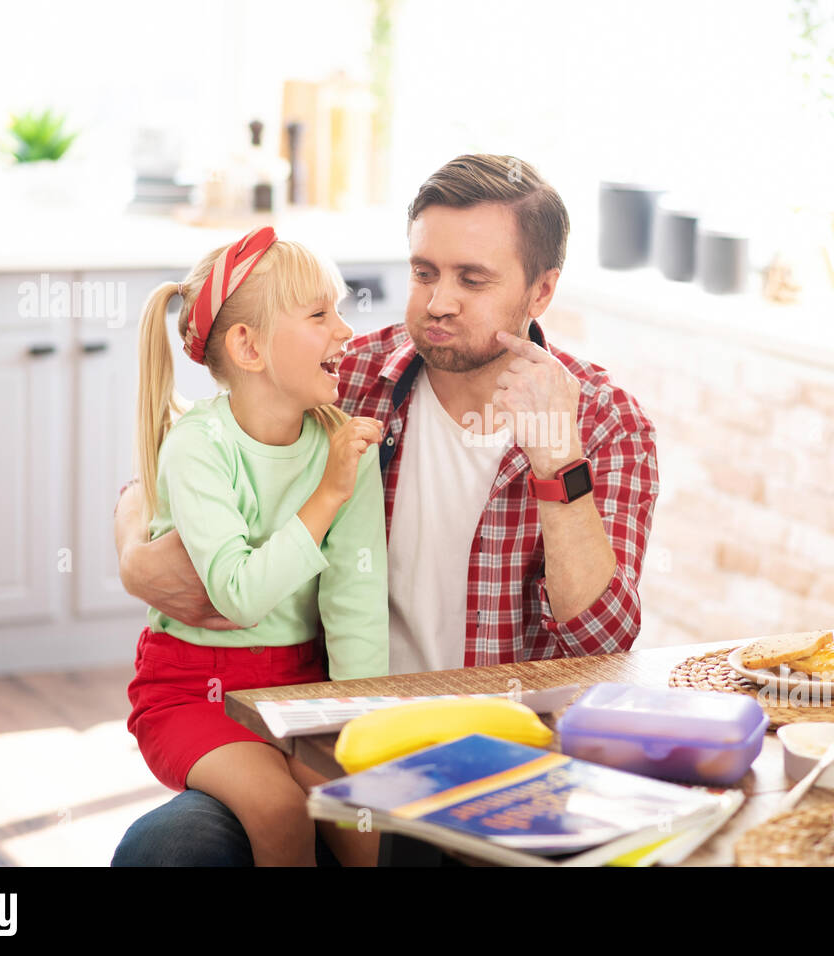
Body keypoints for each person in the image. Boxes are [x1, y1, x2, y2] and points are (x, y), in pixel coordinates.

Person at [111, 154, 658, 866]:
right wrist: (132, 551)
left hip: (498, 763)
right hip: (331, 740)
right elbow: (187, 459)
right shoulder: (349, 378)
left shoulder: (606, 422)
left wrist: (557, 461)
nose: (437, 302)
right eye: (425, 272)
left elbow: (602, 645)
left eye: (473, 279)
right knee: (166, 851)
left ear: (542, 291)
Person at [122, 226, 389, 867]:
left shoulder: (342, 444)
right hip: (192, 691)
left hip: (301, 686)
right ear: (249, 345)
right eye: (320, 314)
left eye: (341, 311)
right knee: (277, 809)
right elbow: (239, 597)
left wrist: (360, 720)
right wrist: (324, 496)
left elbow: (356, 598)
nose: (345, 331)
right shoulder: (199, 447)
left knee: (359, 813)